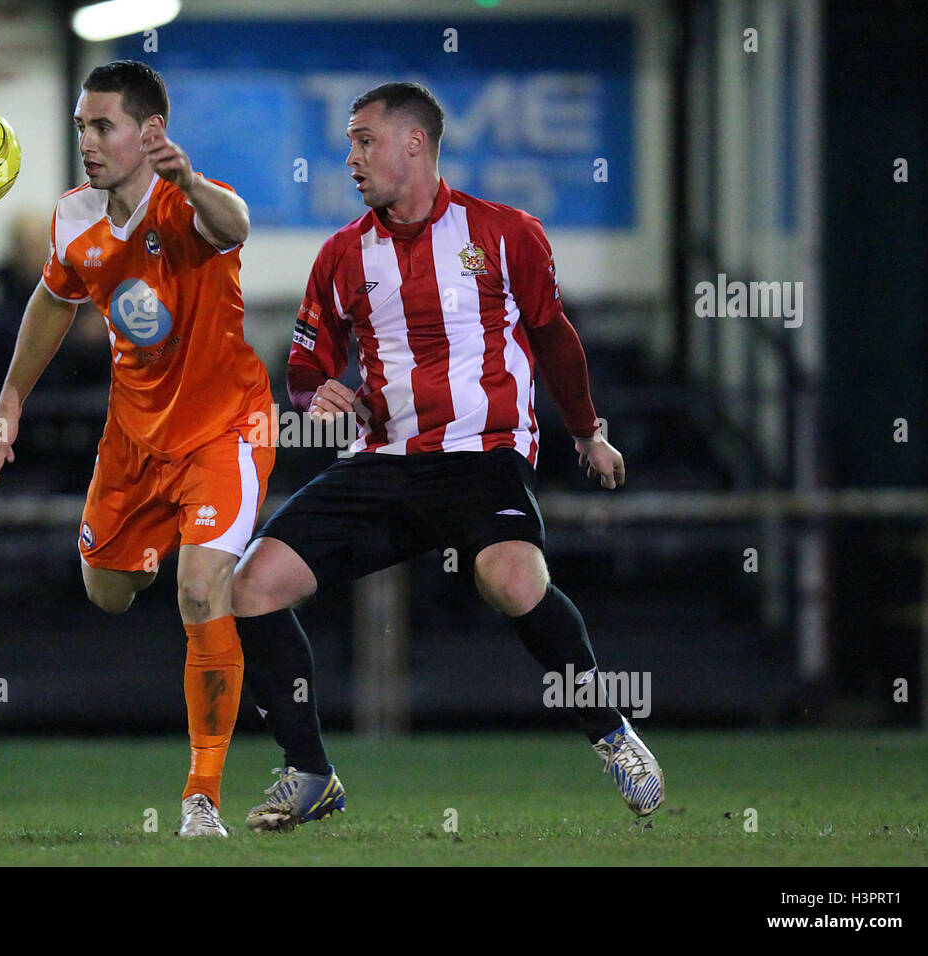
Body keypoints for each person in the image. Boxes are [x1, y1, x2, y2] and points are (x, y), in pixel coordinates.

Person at [230, 82, 665, 831]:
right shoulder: (341, 255)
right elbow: (306, 364)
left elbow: (554, 336)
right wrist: (315, 396)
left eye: (365, 140)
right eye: (350, 141)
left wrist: (588, 430)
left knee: (510, 578)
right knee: (253, 585)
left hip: (482, 454)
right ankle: (309, 773)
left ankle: (611, 733)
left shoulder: (505, 233)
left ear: (415, 144)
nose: (351, 157)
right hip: (385, 460)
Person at [0, 60, 275, 837]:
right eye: (81, 125)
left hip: (224, 427)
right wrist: (11, 399)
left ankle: (201, 796)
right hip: (134, 439)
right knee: (108, 590)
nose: (87, 140)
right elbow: (52, 296)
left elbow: (236, 224)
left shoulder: (189, 203)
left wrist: (193, 179)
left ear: (150, 134)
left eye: (102, 126)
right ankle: (172, 556)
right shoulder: (75, 218)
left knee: (199, 589)